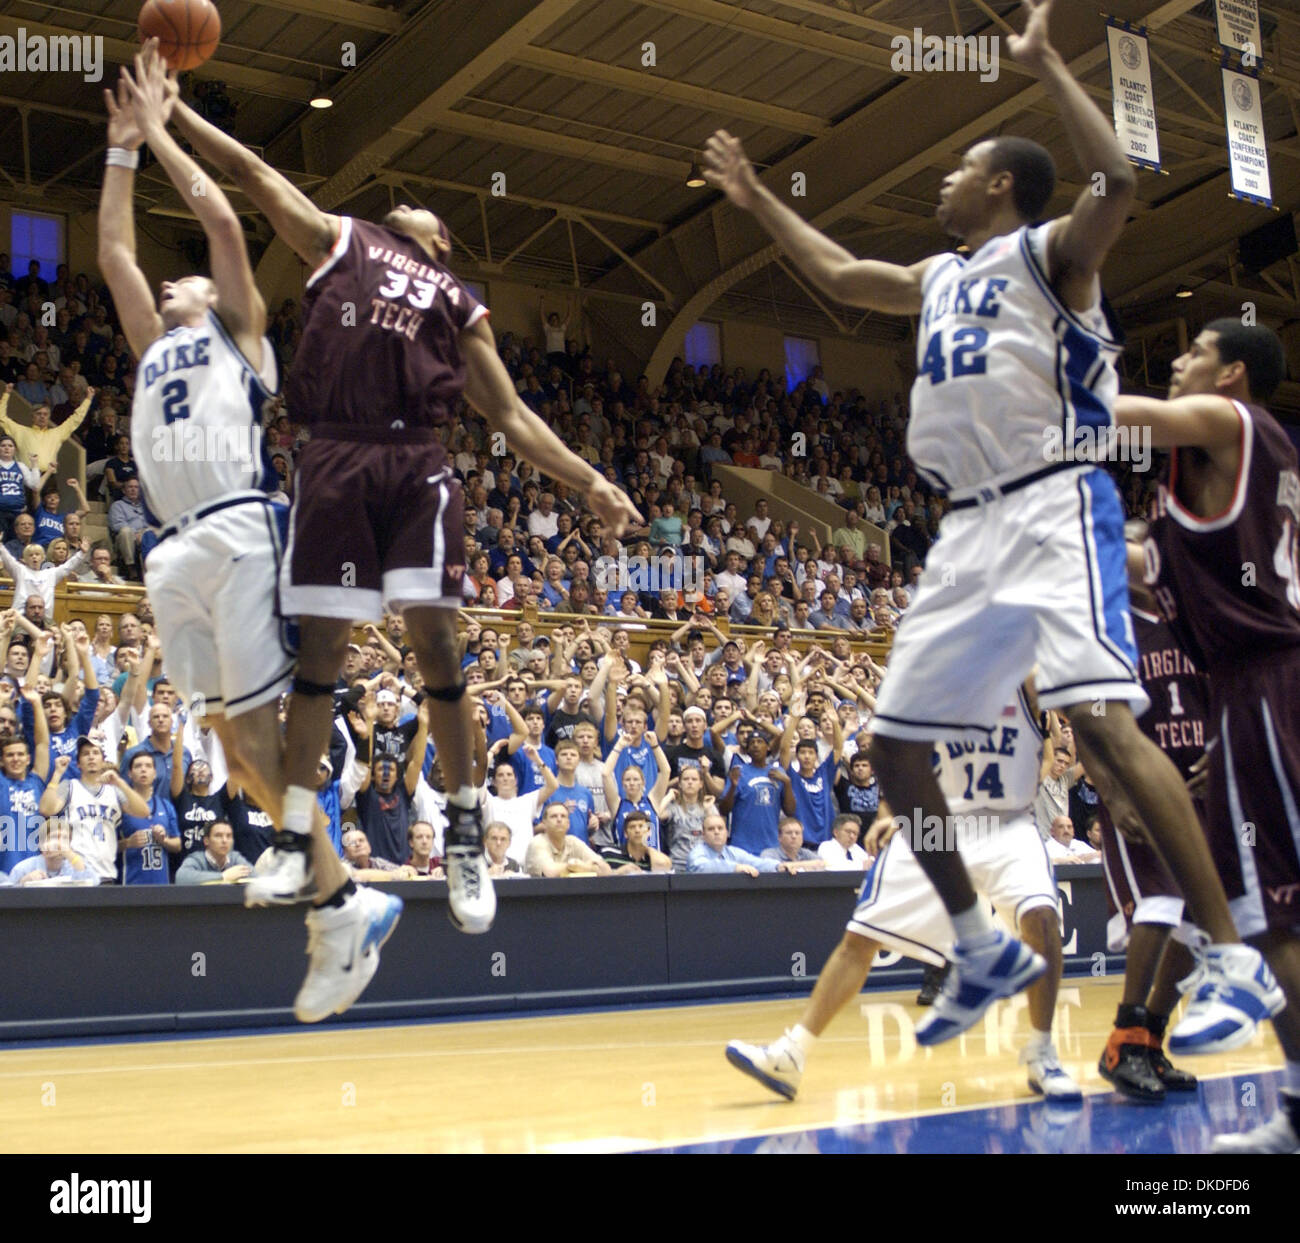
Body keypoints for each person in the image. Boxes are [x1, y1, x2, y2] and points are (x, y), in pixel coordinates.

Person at [703, 0, 1275, 1050]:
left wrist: (1049, 63)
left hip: (1055, 499)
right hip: (970, 524)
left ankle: (1233, 954)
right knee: (892, 745)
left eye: (961, 168)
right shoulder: (936, 278)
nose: (943, 181)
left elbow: (1122, 184)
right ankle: (973, 937)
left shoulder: (1052, 256)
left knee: (1104, 730)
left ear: (1001, 185)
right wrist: (753, 201)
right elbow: (836, 273)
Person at [164, 46, 638, 946]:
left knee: (439, 651)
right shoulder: (346, 238)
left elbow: (511, 416)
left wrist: (589, 479)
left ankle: (464, 827)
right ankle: (295, 833)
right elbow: (257, 175)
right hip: (335, 456)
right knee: (320, 660)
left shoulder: (458, 298)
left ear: (443, 241)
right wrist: (169, 117)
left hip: (417, 461)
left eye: (420, 209)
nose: (404, 203)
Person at [99, 47, 397, 1021]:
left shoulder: (238, 332)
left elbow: (224, 218)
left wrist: (162, 131)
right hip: (168, 548)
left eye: (184, 278)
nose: (172, 282)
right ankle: (346, 903)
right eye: (170, 281)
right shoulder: (154, 348)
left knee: (261, 740)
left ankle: (339, 906)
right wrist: (117, 154)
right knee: (232, 757)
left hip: (236, 527)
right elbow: (111, 257)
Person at [1114, 321, 1297, 1151]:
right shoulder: (1199, 490)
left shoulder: (1236, 422)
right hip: (1248, 693)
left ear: (1230, 374)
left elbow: (1126, 414)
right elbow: (1138, 561)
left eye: (1191, 350)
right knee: (1273, 910)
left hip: (1268, 678)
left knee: (1275, 920)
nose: (1176, 358)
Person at [727, 684, 1082, 1102]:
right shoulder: (934, 673)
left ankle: (1043, 1053)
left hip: (1005, 823)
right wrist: (892, 815)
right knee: (862, 936)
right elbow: (902, 762)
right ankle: (791, 1053)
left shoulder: (1022, 669)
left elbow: (1058, 732)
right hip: (935, 823)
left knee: (1041, 918)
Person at [1094, 600, 1203, 1104]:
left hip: (1196, 797)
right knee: (1158, 908)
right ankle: (1122, 1040)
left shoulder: (1198, 620)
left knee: (1194, 928)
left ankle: (1148, 1040)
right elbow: (1089, 719)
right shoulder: (1108, 627)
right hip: (1138, 794)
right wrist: (1114, 795)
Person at [40, 739, 151, 884]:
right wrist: (57, 773)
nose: (91, 757)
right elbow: (46, 809)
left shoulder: (114, 791)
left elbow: (143, 811)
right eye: (86, 754)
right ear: (78, 763)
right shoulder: (69, 786)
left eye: (95, 753)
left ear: (103, 761)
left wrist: (119, 782)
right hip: (76, 873)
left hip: (107, 873)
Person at [525, 802, 611, 877]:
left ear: (568, 824)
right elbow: (550, 872)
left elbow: (606, 870)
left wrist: (580, 866)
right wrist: (581, 866)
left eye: (563, 816)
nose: (559, 819)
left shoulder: (573, 841)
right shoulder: (537, 842)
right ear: (544, 824)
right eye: (553, 816)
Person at [9, 818, 97, 885]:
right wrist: (23, 882)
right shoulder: (23, 869)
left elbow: (94, 882)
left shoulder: (74, 865)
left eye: (65, 838)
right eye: (54, 838)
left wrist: (70, 855)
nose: (60, 843)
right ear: (41, 843)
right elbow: (7, 897)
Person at [176, 819, 252, 884]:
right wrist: (223, 876)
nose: (224, 840)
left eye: (229, 836)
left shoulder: (235, 858)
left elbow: (257, 878)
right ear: (206, 841)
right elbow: (181, 878)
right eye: (218, 836)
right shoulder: (196, 859)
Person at [761, 817, 825, 872]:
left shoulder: (806, 853)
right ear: (779, 837)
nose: (794, 836)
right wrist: (807, 866)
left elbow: (823, 864)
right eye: (789, 833)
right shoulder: (769, 854)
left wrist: (793, 866)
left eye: (797, 833)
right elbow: (767, 869)